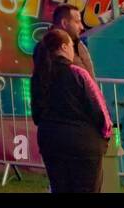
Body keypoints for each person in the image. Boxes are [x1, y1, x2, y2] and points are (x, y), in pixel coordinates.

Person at [33, 29, 112, 192]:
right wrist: (105, 137)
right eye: (71, 45)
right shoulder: (78, 73)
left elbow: (36, 115)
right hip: (83, 144)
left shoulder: (38, 77)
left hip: (51, 142)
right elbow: (100, 110)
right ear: (63, 47)